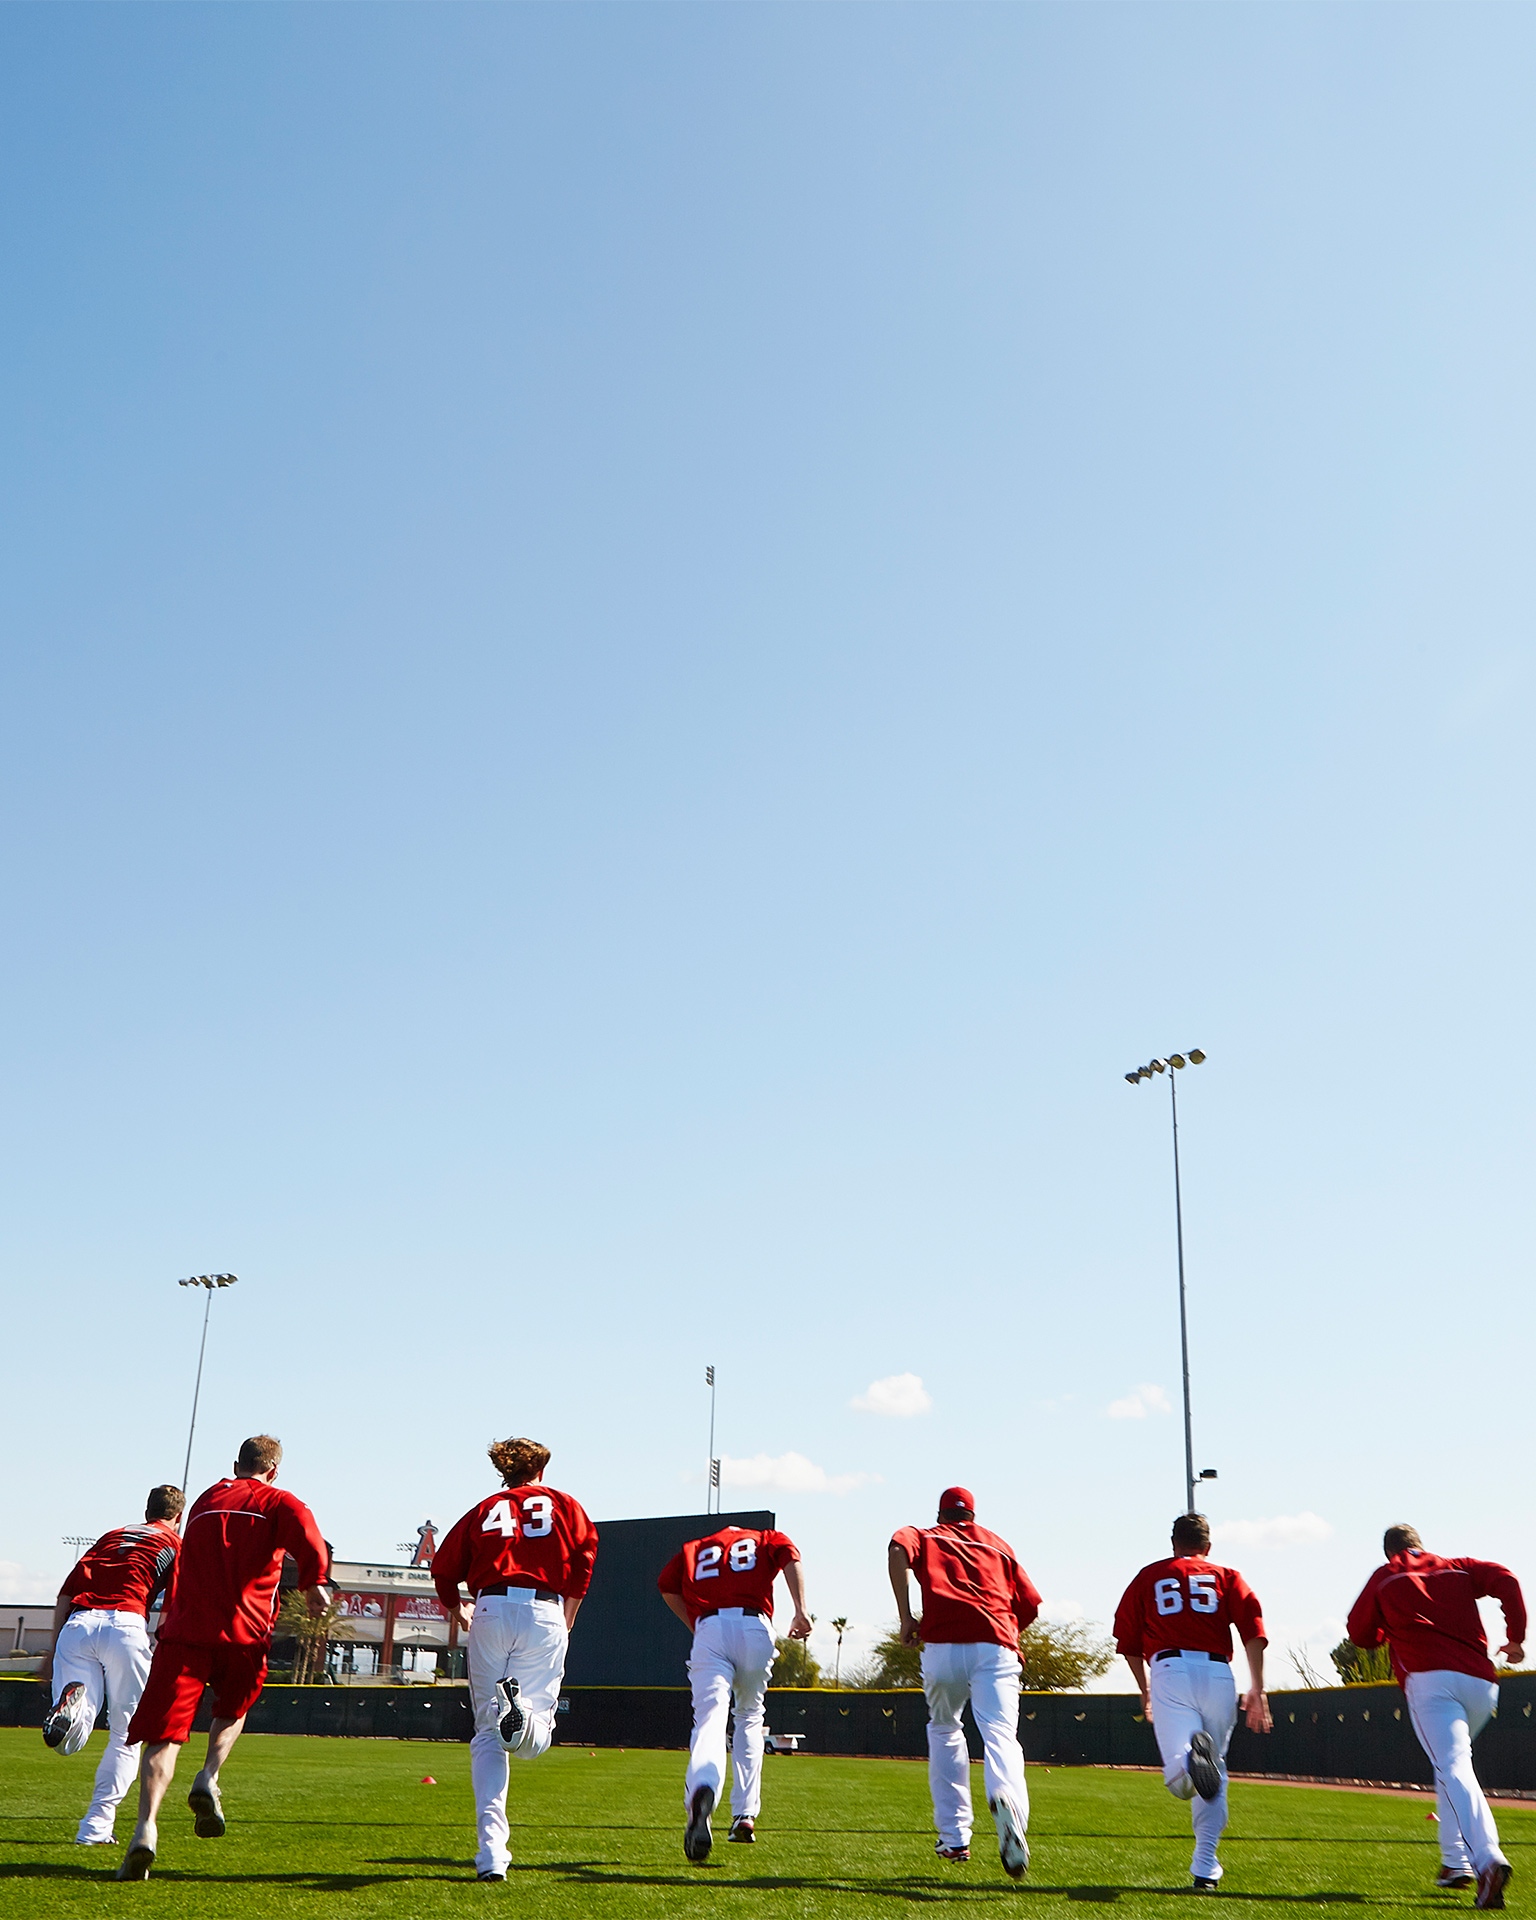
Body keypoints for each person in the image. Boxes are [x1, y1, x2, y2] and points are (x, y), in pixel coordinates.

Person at [116, 1435, 329, 1881]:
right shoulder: (278, 1501)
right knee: (232, 1710)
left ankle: (145, 1828)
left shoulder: (206, 1500)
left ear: (236, 1464)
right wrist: (315, 1583)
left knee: (164, 1736)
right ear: (273, 1470)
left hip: (186, 1633)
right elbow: (309, 1536)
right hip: (245, 1632)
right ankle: (208, 1776)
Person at [432, 1437, 598, 1884]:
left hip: (490, 1607)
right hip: (545, 1608)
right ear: (541, 1469)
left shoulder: (485, 1508)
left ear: (505, 1472)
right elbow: (585, 1557)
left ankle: (491, 1854)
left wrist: (457, 1608)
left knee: (487, 1734)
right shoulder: (565, 1504)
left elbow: (442, 1568)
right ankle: (520, 1715)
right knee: (535, 1738)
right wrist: (569, 1614)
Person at [1347, 1525, 1526, 1910]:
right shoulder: (1458, 1566)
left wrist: (1385, 1630)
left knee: (1453, 1765)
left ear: (1389, 1552)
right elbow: (1506, 1579)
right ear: (1419, 1545)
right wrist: (1516, 1636)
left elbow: (1359, 1634)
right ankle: (1454, 1862)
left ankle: (1487, 1859)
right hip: (1482, 1683)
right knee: (1450, 1765)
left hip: (1430, 1680)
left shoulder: (1386, 1575)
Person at [1113, 1512, 1271, 1893]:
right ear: (1208, 1546)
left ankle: (1188, 1763)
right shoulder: (1227, 1575)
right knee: (1214, 1774)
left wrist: (1145, 1689)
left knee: (1182, 1782)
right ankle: (1205, 1867)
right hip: (1218, 1674)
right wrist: (1258, 1688)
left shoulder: (1150, 1575)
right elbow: (1254, 1630)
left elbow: (1128, 1642)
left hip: (1171, 1670)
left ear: (1174, 1544)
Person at [888, 1485, 1039, 1878]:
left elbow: (897, 1548)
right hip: (996, 1644)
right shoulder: (999, 1544)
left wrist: (906, 1616)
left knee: (945, 1729)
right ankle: (1008, 1802)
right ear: (972, 1515)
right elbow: (1029, 1605)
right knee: (1000, 1734)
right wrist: (1003, 1632)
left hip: (943, 1646)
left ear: (941, 1516)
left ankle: (954, 1836)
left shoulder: (926, 1535)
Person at [39, 1486, 185, 1847]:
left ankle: (73, 1709)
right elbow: (174, 1603)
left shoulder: (111, 1537)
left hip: (79, 1624)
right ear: (178, 1518)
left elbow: (65, 1594)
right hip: (127, 1625)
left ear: (147, 1511)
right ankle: (95, 1829)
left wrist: (53, 1648)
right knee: (126, 1735)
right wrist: (161, 1643)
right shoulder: (174, 1544)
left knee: (69, 1742)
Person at [658, 1519, 812, 1861]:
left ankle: (703, 1789)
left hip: (710, 1626)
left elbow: (666, 1586)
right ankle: (744, 1813)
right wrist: (801, 1610)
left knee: (711, 1719)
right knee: (749, 1717)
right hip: (754, 1625)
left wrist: (696, 1625)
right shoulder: (766, 1538)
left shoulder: (695, 1547)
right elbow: (791, 1556)